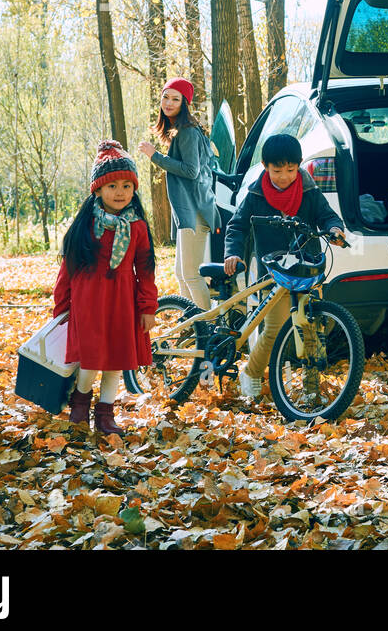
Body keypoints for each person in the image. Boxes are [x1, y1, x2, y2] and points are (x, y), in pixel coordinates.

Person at [224, 134, 347, 400]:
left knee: (312, 328)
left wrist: (334, 229)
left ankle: (312, 390)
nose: (284, 176)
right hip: (276, 270)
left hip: (307, 268)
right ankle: (252, 372)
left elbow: (326, 215)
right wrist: (233, 254)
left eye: (291, 170)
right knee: (274, 329)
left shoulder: (309, 190)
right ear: (265, 167)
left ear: (299, 166)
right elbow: (237, 226)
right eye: (277, 170)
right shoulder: (256, 193)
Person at [54, 141, 159, 436]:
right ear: (97, 190)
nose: (120, 192)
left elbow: (146, 270)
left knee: (116, 359)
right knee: (91, 357)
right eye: (113, 185)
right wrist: (61, 306)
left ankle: (105, 413)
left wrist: (148, 307)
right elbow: (68, 268)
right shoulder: (85, 226)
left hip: (122, 301)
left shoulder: (136, 226)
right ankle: (79, 403)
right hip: (89, 301)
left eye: (127, 185)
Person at [138, 77, 218, 310]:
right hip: (189, 210)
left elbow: (191, 171)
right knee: (182, 274)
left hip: (197, 210)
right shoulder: (180, 130)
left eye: (176, 99)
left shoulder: (188, 131)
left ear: (185, 103)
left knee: (192, 275)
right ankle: (190, 326)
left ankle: (207, 329)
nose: (169, 103)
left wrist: (156, 156)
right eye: (166, 97)